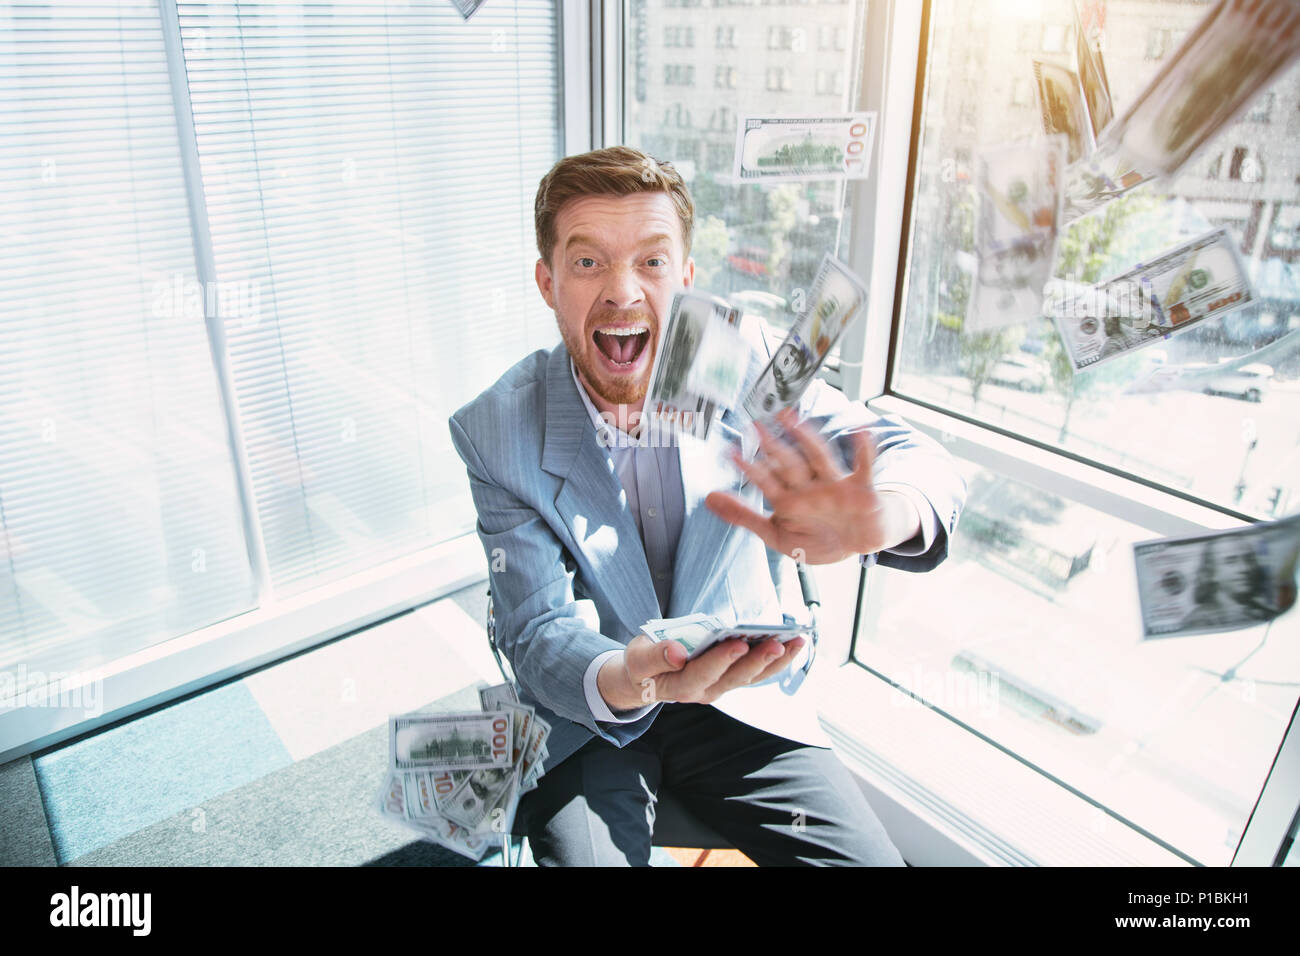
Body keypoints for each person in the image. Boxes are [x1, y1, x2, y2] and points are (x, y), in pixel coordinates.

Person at [448, 146, 965, 866]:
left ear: (686, 278)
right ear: (548, 282)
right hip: (594, 705)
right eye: (588, 262)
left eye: (653, 263)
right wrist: (634, 675)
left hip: (740, 699)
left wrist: (887, 512)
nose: (623, 292)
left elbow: (909, 455)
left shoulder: (732, 351)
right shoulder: (497, 430)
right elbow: (535, 632)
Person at [1180, 534, 1277, 631]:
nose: (1244, 568)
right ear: (1211, 573)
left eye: (1248, 559)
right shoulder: (1199, 621)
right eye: (1231, 561)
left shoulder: (1267, 613)